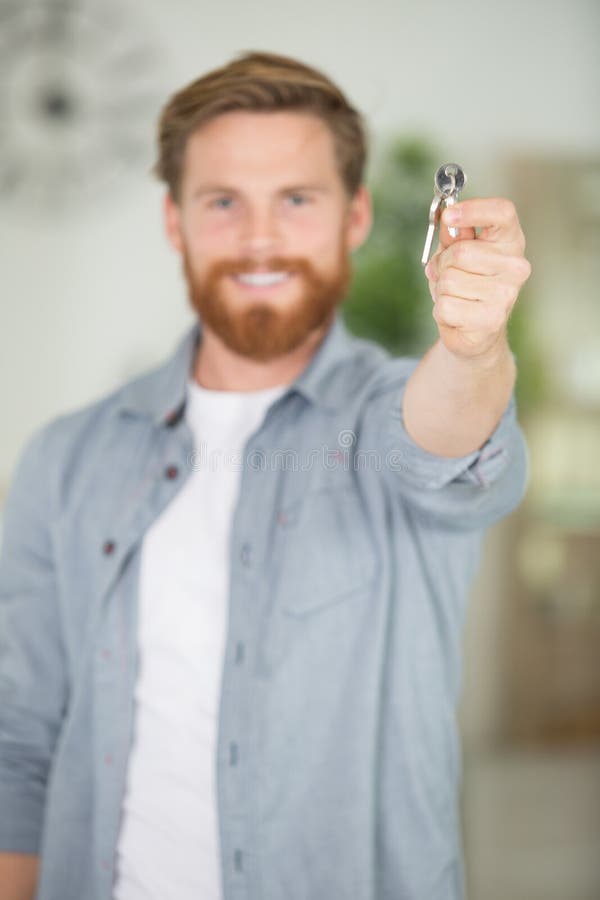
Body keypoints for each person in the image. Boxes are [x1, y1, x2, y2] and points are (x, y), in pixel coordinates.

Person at [0, 50, 531, 900]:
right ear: (174, 221)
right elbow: (19, 747)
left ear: (355, 216)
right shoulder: (65, 459)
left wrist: (474, 350)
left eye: (296, 199)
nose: (259, 238)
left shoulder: (395, 410)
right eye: (222, 202)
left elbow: (447, 438)